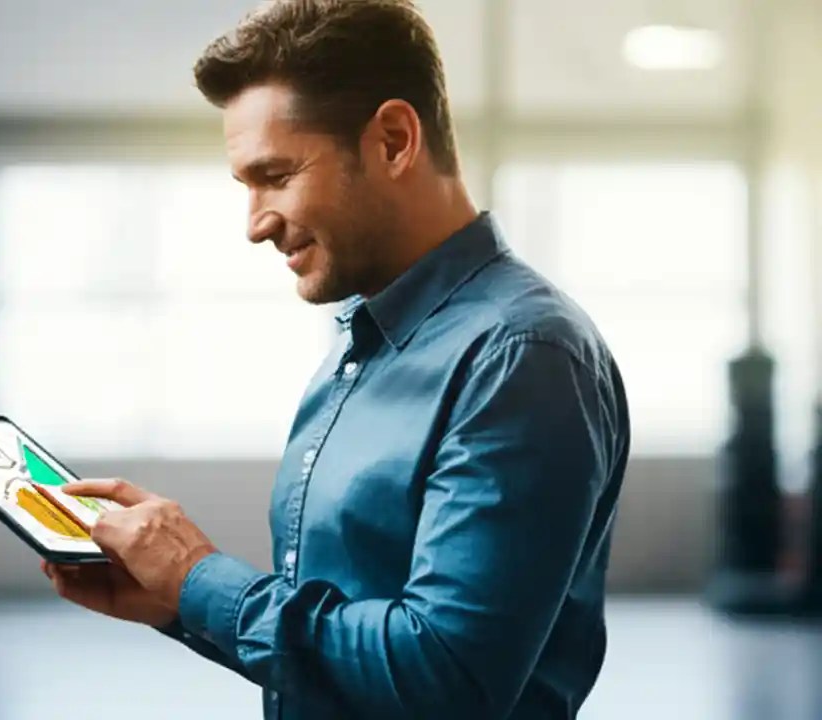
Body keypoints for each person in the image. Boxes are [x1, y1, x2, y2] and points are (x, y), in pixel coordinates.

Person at [41, 1, 631, 717]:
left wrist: (199, 579)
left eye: (276, 175)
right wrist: (175, 602)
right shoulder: (357, 349)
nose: (255, 223)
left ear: (391, 141)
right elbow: (333, 649)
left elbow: (444, 678)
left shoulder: (521, 356)